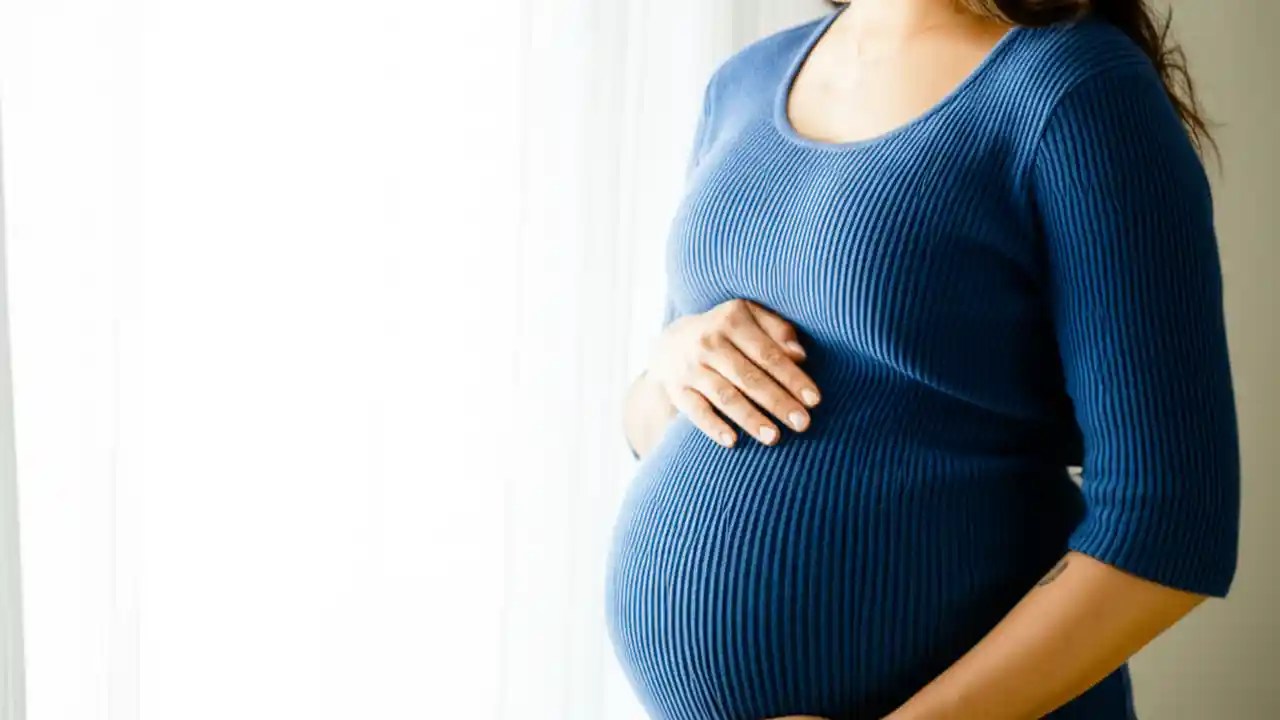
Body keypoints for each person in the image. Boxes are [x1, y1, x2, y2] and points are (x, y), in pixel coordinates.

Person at [604, 0, 1240, 718]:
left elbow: (1171, 524)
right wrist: (674, 359)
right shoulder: (742, 84)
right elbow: (656, 427)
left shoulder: (1077, 91)